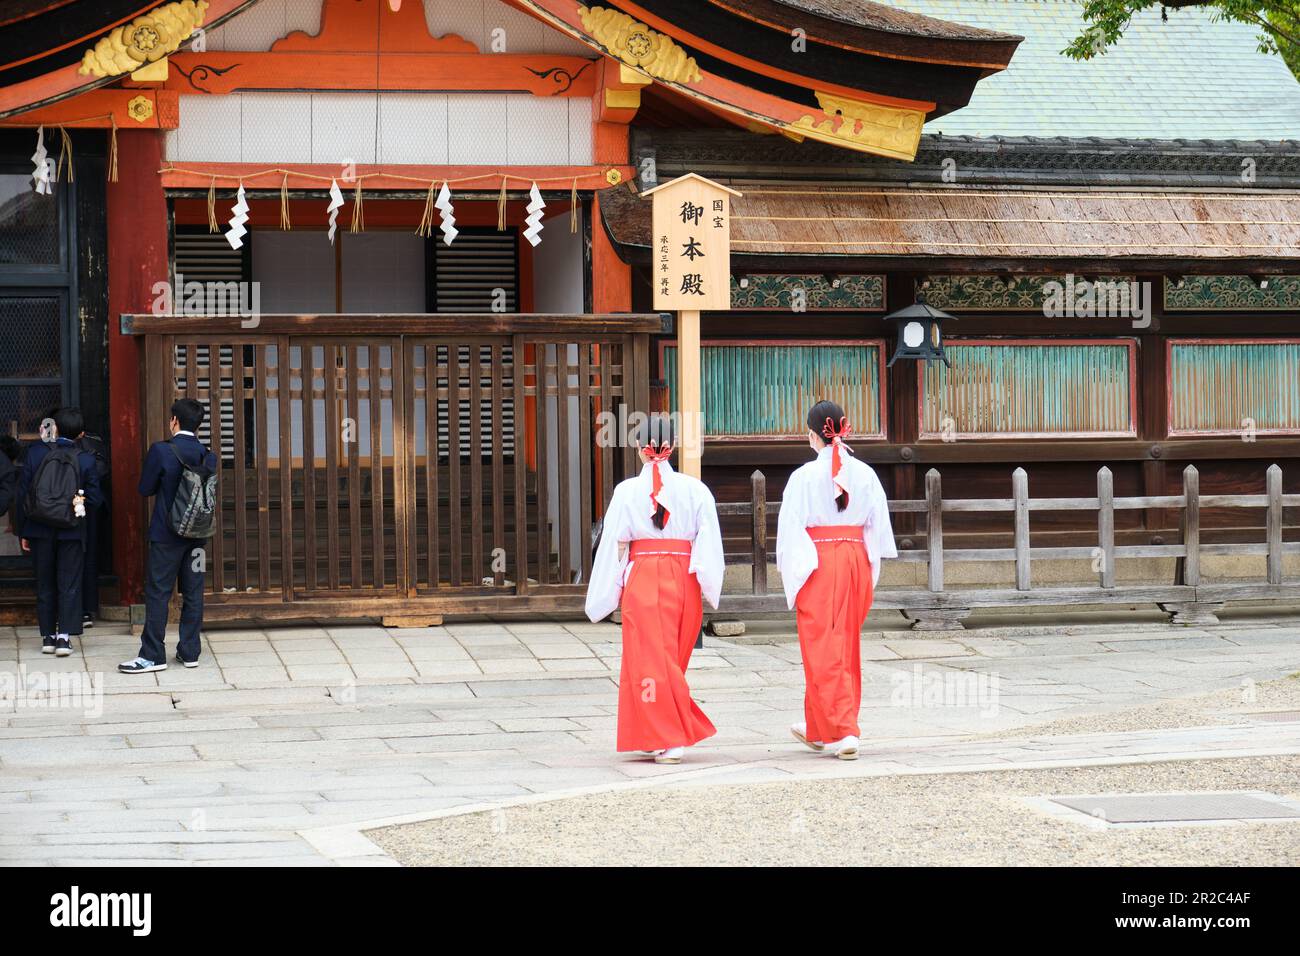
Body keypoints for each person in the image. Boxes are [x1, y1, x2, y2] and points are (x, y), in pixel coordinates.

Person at [585, 415, 724, 764]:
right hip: (683, 577)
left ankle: (668, 735)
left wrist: (609, 590)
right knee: (668, 661)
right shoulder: (696, 490)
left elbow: (614, 544)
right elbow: (709, 544)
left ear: (638, 449)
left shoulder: (626, 492)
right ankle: (655, 731)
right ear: (673, 447)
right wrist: (708, 585)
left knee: (651, 661)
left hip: (644, 575)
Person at [776, 400, 896, 760]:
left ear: (812, 435)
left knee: (822, 645)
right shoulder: (866, 474)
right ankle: (819, 726)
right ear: (844, 428)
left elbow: (790, 531)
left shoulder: (803, 477)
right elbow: (879, 527)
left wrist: (795, 575)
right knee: (842, 644)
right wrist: (869, 566)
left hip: (819, 560)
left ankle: (843, 730)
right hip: (855, 556)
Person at [120, 398, 217, 674]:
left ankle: (152, 655)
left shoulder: (162, 451)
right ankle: (190, 652)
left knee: (159, 592)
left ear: (174, 420)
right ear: (197, 424)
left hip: (167, 535)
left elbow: (145, 488)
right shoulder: (207, 455)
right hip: (198, 537)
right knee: (194, 592)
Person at [14, 408, 103, 657]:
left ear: (56, 429)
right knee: (69, 583)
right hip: (72, 530)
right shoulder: (85, 459)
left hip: (39, 528)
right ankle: (64, 637)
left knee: (44, 582)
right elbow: (95, 498)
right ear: (81, 434)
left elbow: (23, 494)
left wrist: (23, 530)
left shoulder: (35, 453)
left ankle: (47, 637)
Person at [73, 426, 109, 629]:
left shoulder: (47, 451)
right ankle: (86, 609)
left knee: (66, 560)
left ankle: (72, 610)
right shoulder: (93, 446)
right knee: (88, 559)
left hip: (57, 511)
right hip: (89, 509)